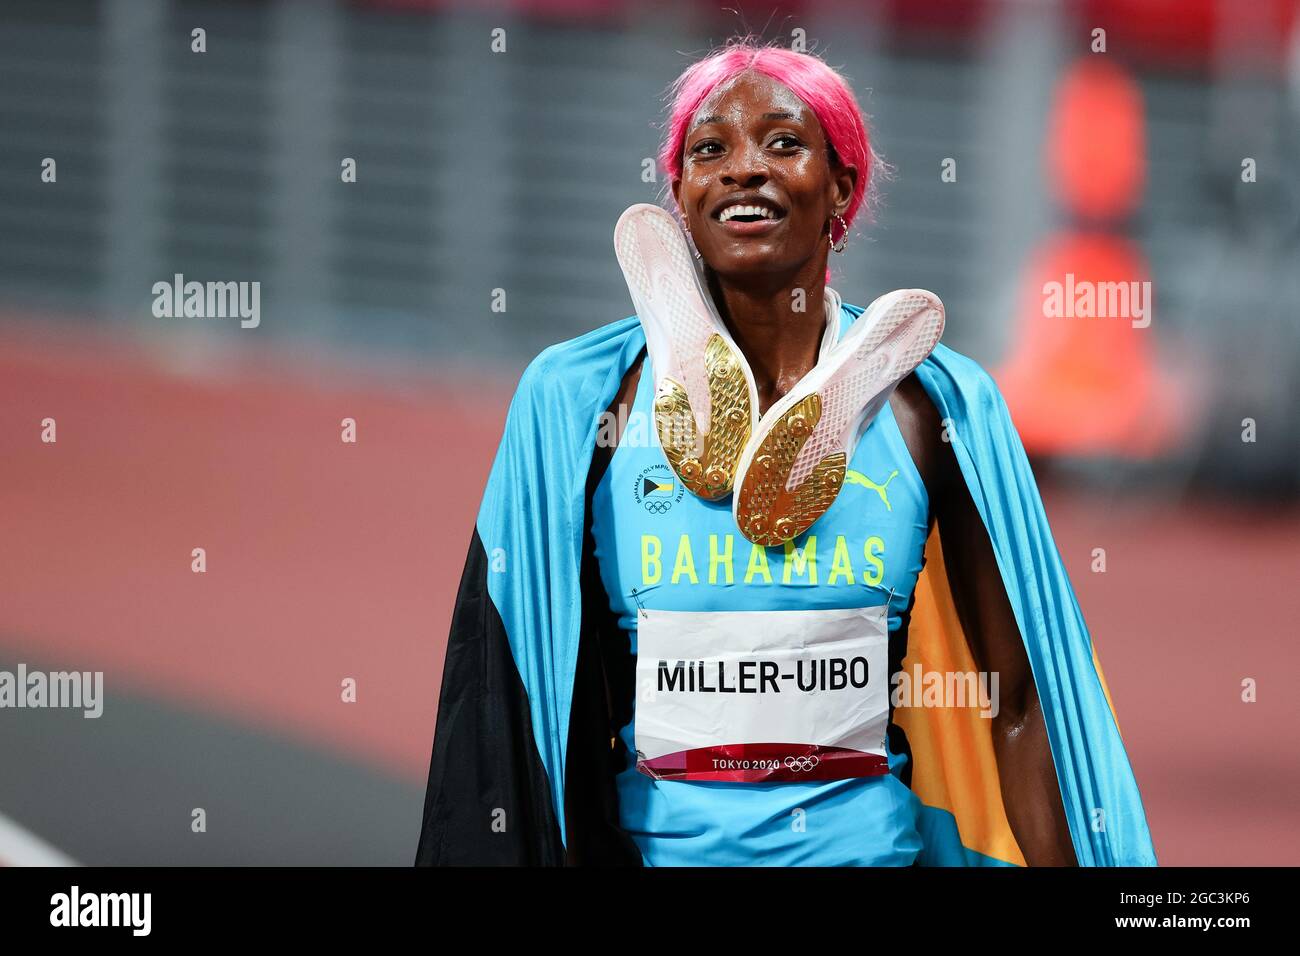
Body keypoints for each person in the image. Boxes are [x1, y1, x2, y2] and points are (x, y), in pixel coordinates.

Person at [415, 40, 1156, 867]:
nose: (743, 168)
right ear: (681, 195)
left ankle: (829, 381)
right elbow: (510, 677)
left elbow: (1019, 698)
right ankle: (706, 386)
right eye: (710, 149)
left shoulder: (932, 411)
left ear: (841, 187)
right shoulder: (585, 404)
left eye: (783, 143)